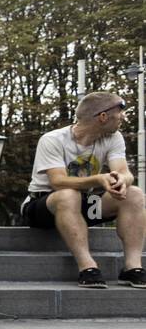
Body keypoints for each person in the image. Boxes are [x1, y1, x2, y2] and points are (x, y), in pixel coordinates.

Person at [21, 92, 145, 288]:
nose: (123, 117)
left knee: (135, 193)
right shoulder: (52, 139)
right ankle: (87, 267)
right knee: (68, 195)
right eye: (120, 112)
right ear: (103, 117)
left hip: (83, 205)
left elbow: (124, 172)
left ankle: (132, 268)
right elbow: (58, 182)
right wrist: (98, 179)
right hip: (42, 206)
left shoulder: (114, 137)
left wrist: (122, 180)